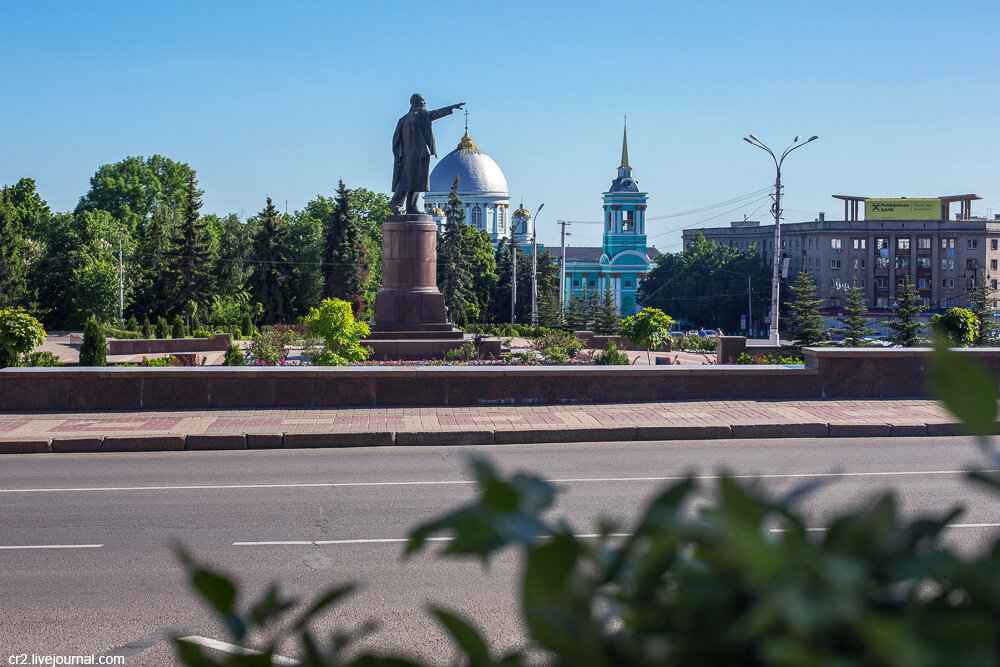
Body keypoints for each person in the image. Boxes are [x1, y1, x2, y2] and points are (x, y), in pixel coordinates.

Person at [389, 94, 465, 215]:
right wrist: (399, 156)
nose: (424, 102)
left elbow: (396, 140)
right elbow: (434, 114)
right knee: (407, 181)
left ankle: (412, 207)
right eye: (422, 100)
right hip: (414, 154)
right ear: (415, 102)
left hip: (417, 155)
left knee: (417, 181)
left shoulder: (409, 118)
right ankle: (394, 203)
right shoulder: (417, 116)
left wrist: (452, 107)